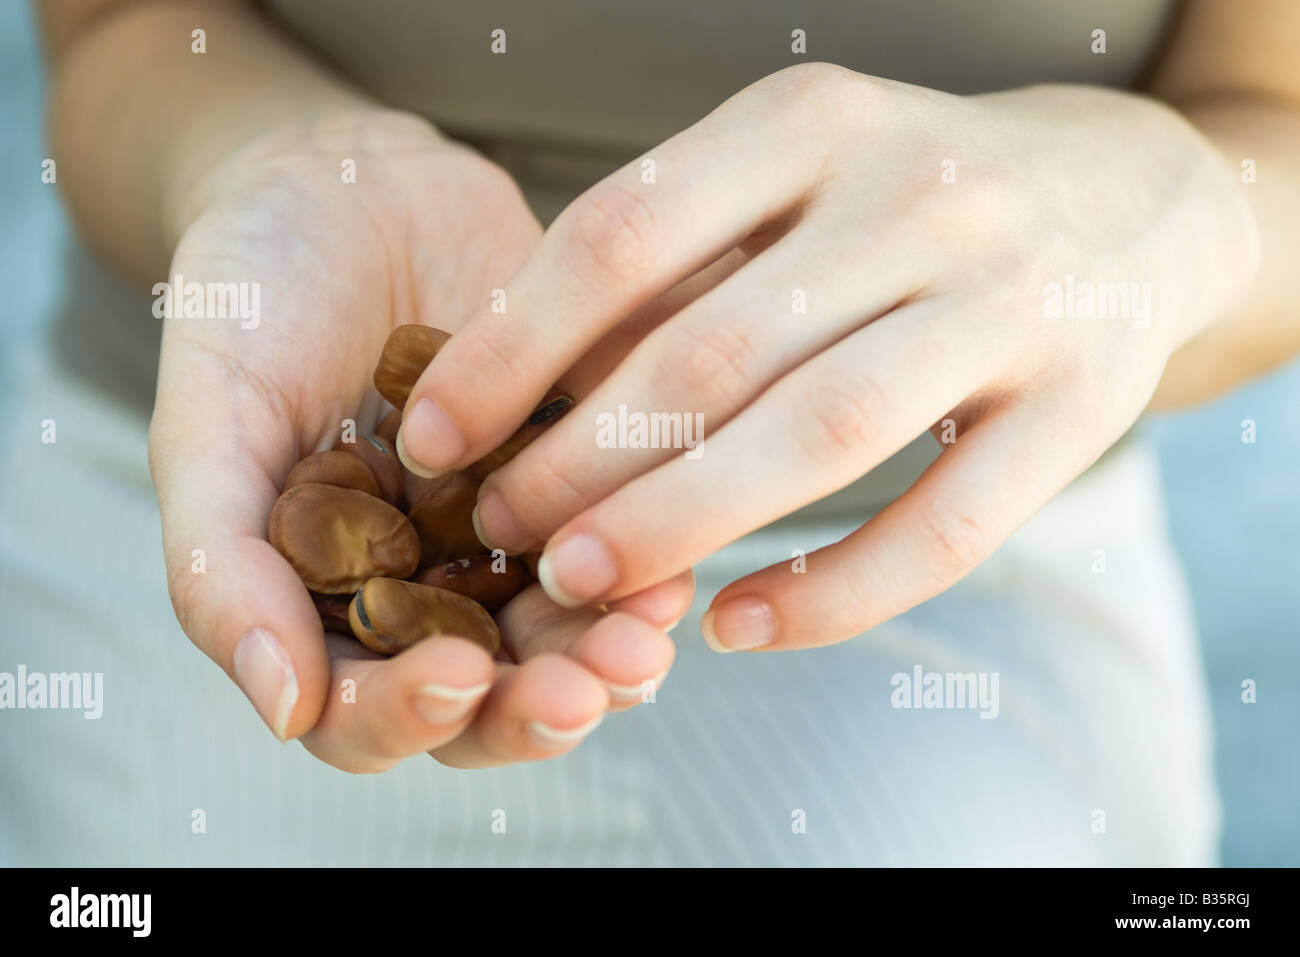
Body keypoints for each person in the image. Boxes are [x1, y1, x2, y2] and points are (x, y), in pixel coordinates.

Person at [11, 0, 1296, 864]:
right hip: (207, 457)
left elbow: (1269, 111)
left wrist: (1172, 193)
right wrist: (278, 159)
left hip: (951, 566)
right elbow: (125, 25)